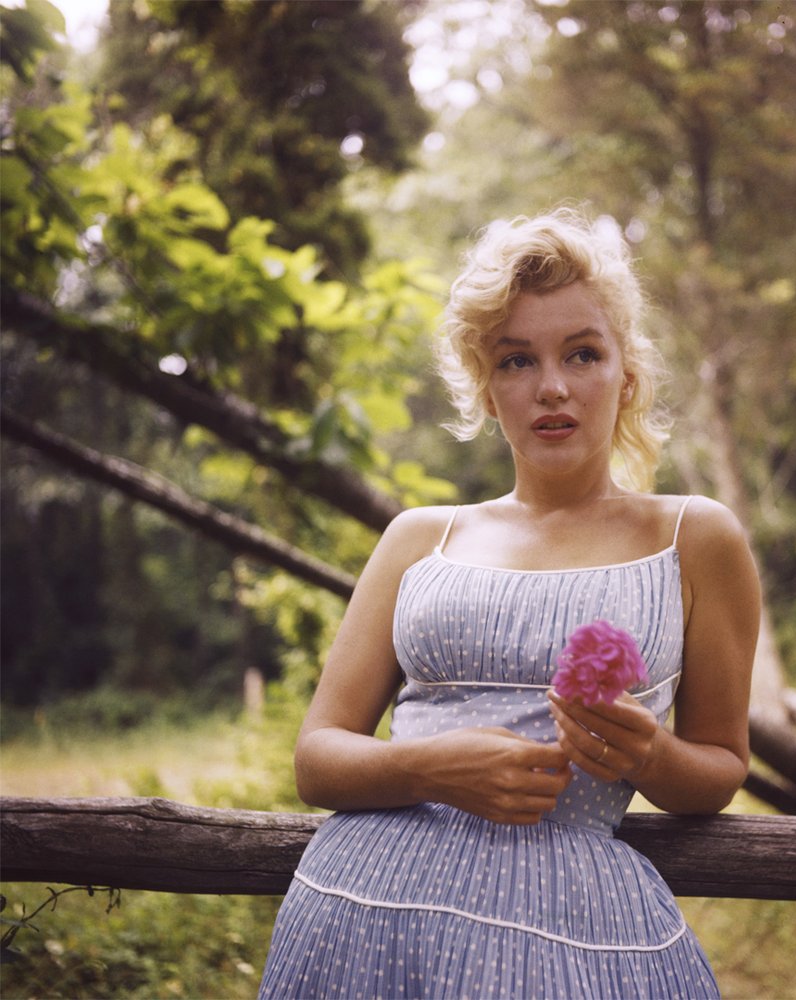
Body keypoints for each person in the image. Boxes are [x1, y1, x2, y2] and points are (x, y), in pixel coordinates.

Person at [258, 209, 761, 999]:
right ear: (487, 391)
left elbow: (722, 766)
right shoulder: (418, 539)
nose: (552, 387)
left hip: (572, 934)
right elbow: (317, 758)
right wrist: (430, 767)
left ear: (627, 374)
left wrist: (647, 757)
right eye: (517, 360)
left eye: (583, 353)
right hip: (366, 916)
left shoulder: (695, 538)